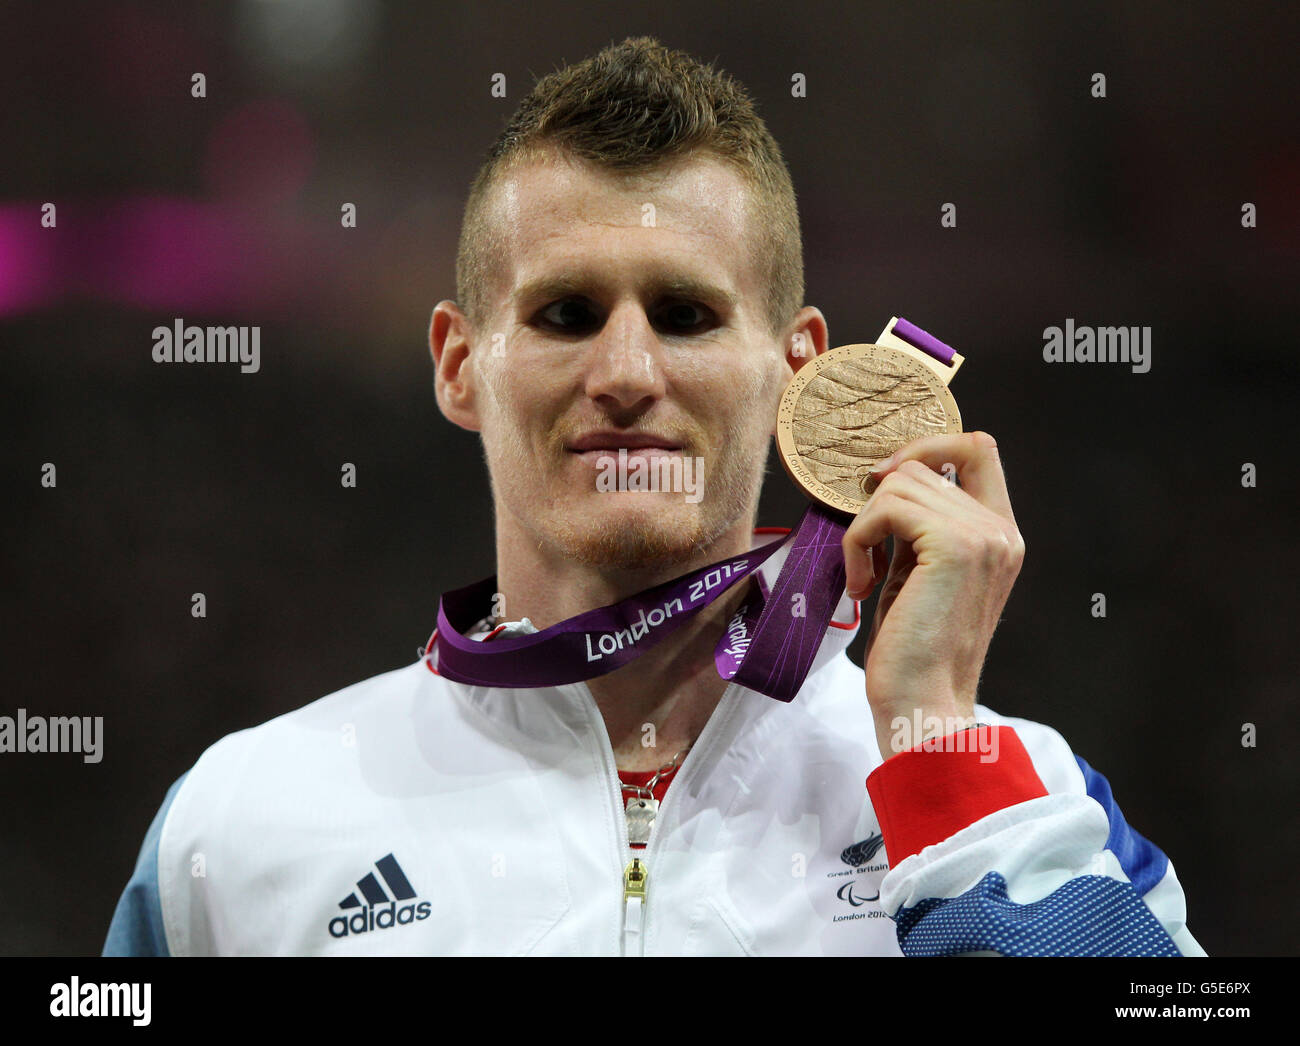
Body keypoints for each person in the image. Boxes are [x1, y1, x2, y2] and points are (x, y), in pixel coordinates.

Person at [104, 36, 1204, 957]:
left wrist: (933, 746)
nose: (627, 371)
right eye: (566, 312)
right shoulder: (242, 823)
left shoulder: (1030, 800)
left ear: (797, 366)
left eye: (684, 314)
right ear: (457, 364)